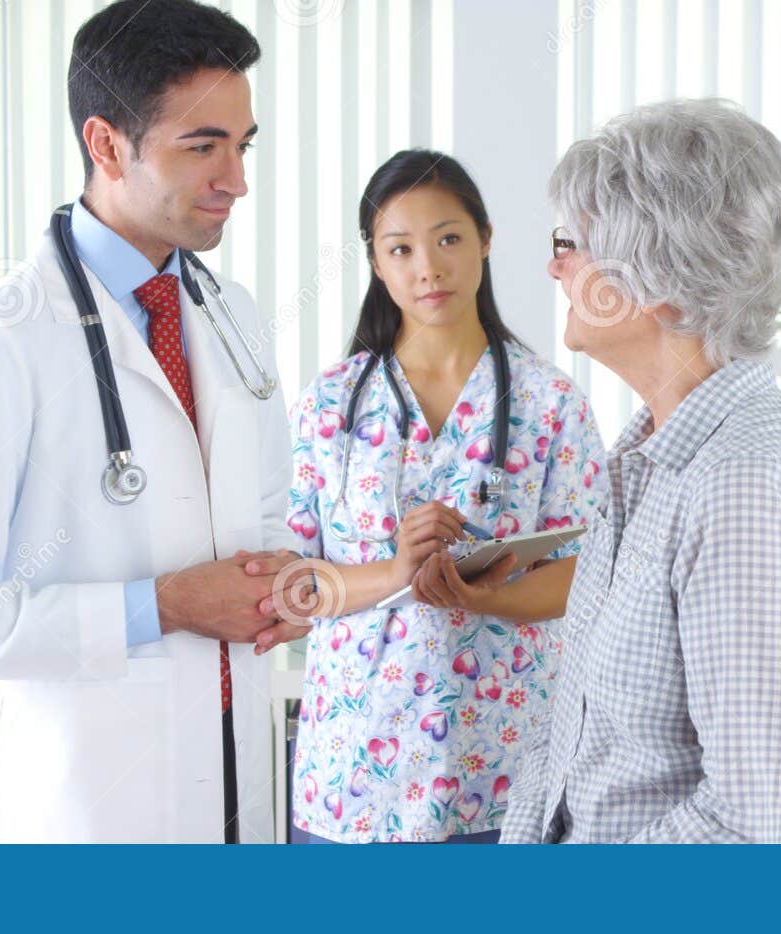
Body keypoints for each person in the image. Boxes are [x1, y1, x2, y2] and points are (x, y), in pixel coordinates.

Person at [0, 0, 300, 844]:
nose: (236, 180)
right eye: (202, 147)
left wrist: (287, 585)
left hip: (236, 788)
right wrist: (167, 606)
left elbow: (263, 519)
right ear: (106, 144)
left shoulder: (235, 317)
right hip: (101, 811)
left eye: (242, 144)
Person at [501, 99, 781, 844]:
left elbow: (755, 830)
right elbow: (581, 747)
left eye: (571, 243)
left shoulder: (744, 490)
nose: (554, 265)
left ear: (660, 278)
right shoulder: (648, 466)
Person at [276, 150, 607, 843]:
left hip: (502, 766)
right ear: (376, 262)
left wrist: (481, 596)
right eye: (401, 248)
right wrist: (397, 574)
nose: (428, 267)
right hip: (352, 774)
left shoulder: (550, 404)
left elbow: (587, 576)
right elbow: (295, 587)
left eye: (449, 238)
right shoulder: (332, 404)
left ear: (486, 239)